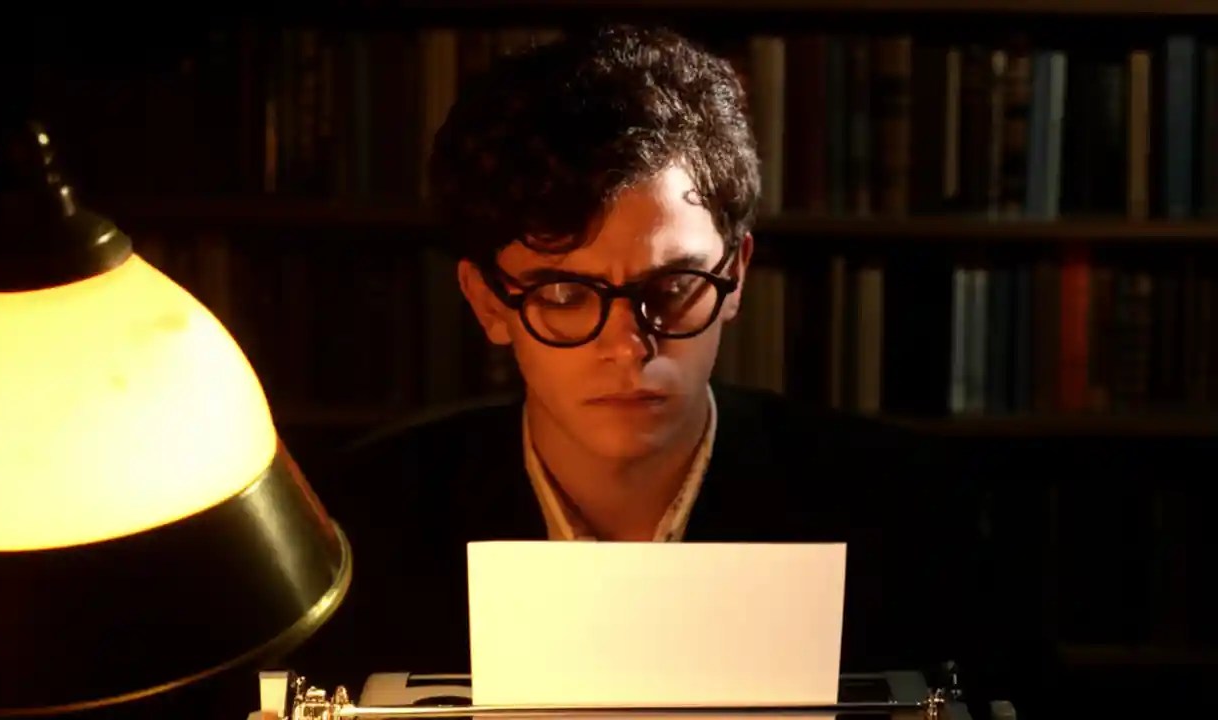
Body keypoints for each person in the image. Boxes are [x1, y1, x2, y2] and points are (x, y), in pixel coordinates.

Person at [285, 23, 1038, 717]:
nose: (628, 345)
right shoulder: (355, 532)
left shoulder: (913, 514)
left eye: (672, 289)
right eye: (565, 294)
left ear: (736, 276)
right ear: (488, 302)